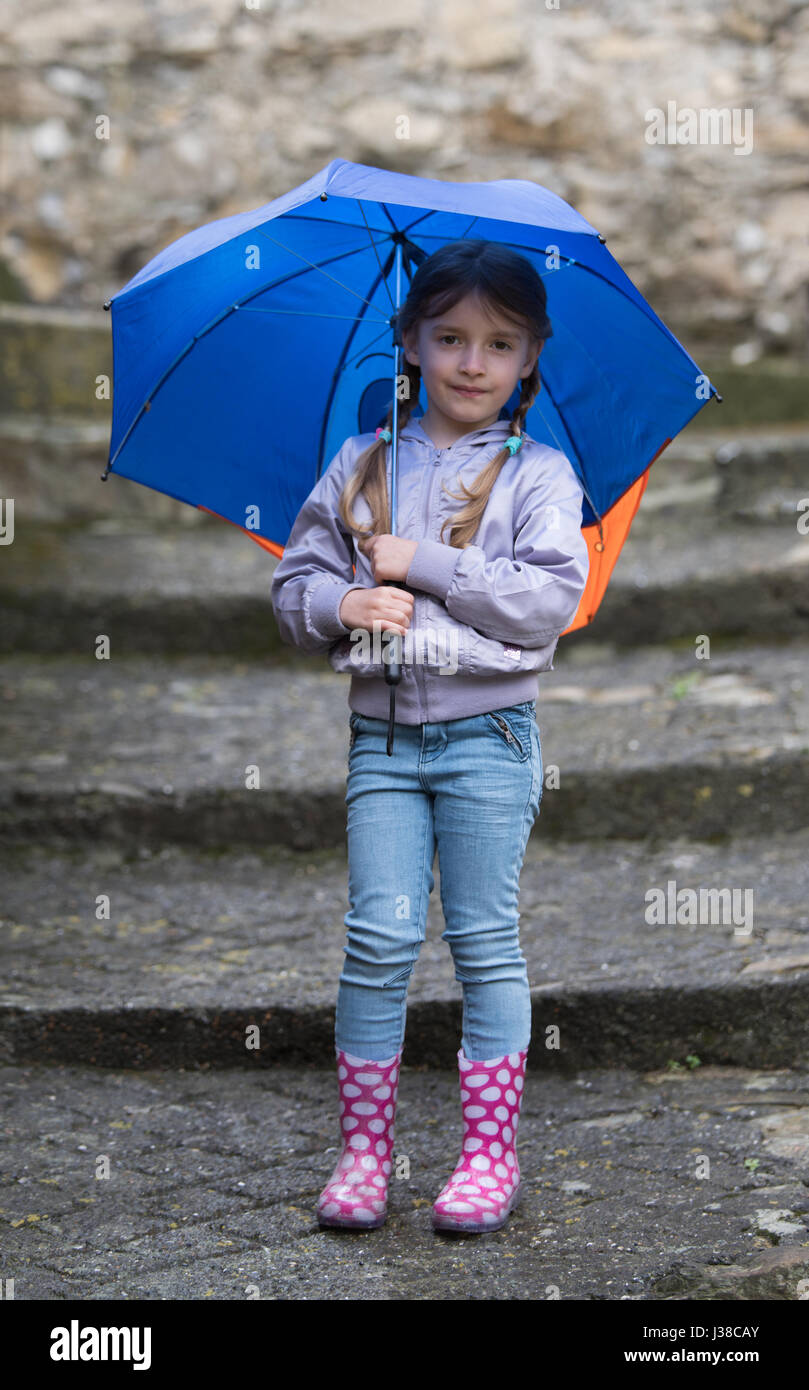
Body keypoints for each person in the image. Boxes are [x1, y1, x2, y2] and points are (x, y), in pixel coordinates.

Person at [270, 238, 589, 1234]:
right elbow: (291, 588)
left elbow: (544, 604)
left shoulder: (537, 475)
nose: (468, 362)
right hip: (384, 747)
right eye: (447, 337)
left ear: (529, 356)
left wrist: (427, 567)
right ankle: (365, 1153)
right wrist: (344, 602)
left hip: (489, 737)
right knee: (377, 940)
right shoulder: (361, 463)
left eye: (497, 343)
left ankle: (487, 1155)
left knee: (484, 940)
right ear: (408, 341)